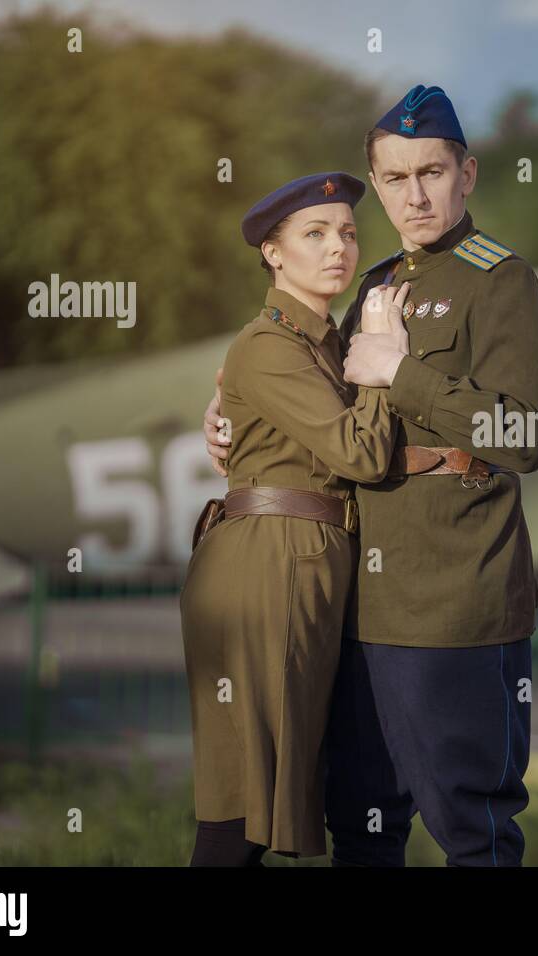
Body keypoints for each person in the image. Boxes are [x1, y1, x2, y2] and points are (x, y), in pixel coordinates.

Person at [204, 86, 538, 866]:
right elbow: (297, 365)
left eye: (431, 172)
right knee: (361, 823)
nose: (416, 194)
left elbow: (528, 433)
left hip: (451, 598)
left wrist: (404, 373)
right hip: (357, 607)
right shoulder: (375, 285)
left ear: (467, 174)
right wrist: (224, 396)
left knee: (472, 828)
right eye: (395, 179)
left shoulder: (499, 281)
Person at [181, 171, 408, 866]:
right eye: (314, 234)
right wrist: (379, 360)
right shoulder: (272, 344)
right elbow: (361, 455)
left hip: (297, 560)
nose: (337, 247)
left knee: (262, 788)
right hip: (270, 565)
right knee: (245, 800)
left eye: (345, 232)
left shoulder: (320, 342)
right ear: (274, 254)